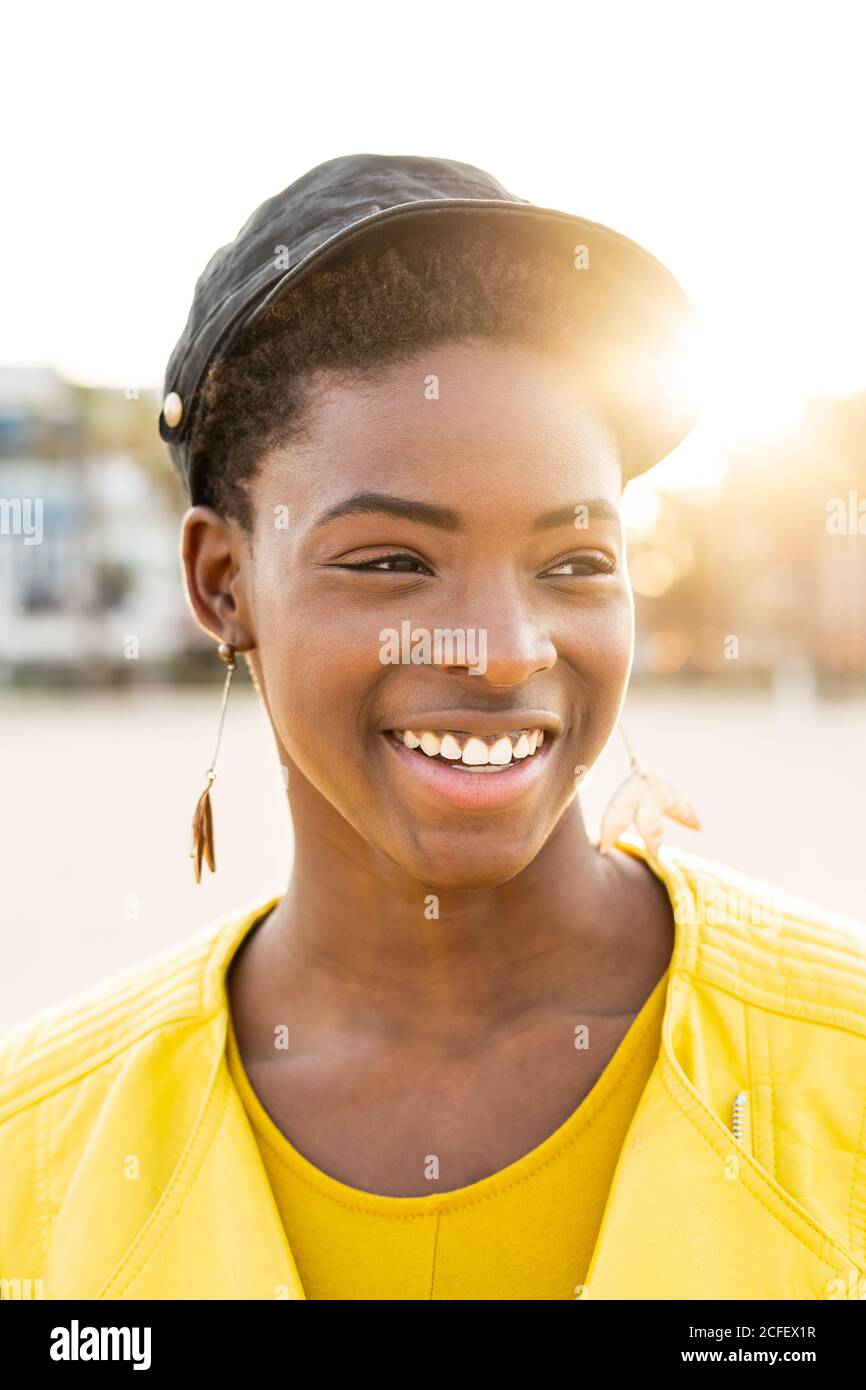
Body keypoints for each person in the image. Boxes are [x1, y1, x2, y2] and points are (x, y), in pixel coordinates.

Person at [1, 154, 864, 1302]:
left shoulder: (837, 1070)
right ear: (222, 585)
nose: (503, 649)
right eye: (392, 563)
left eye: (573, 562)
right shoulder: (40, 1158)